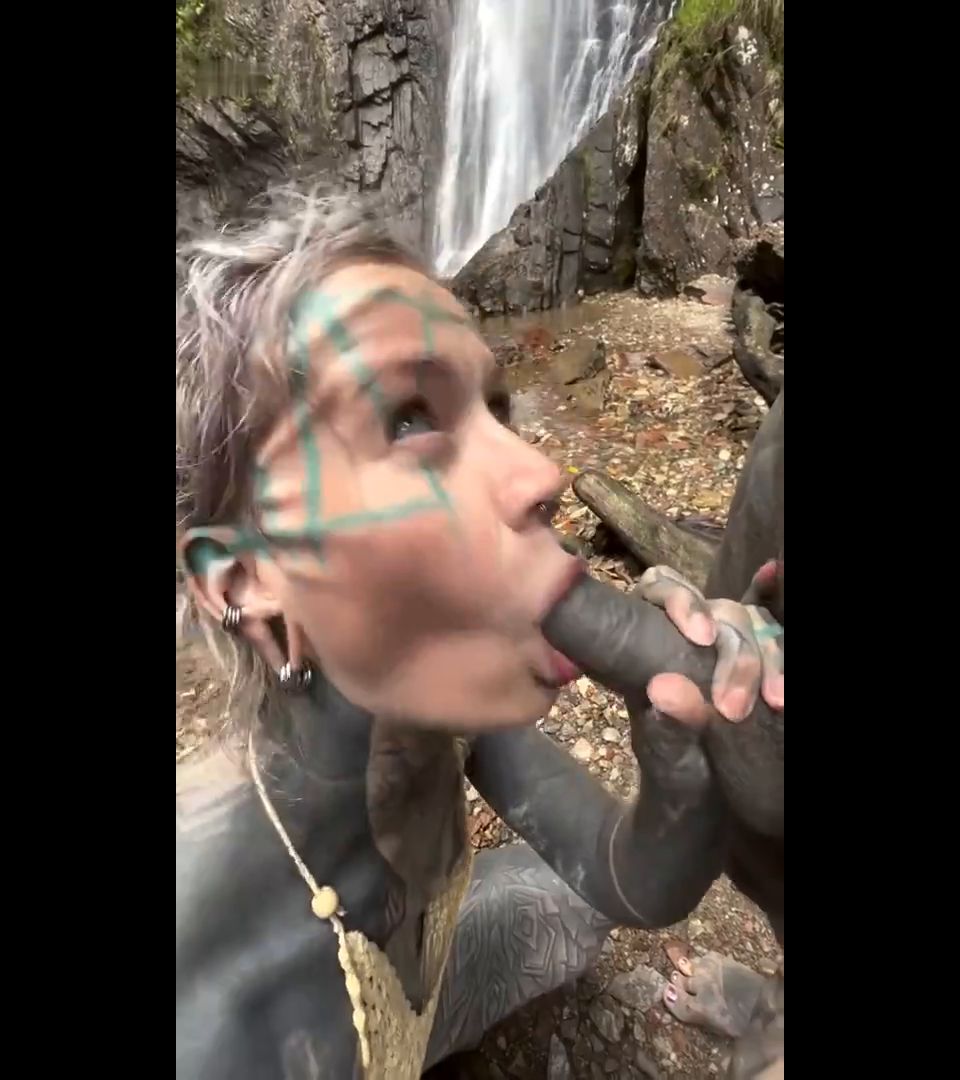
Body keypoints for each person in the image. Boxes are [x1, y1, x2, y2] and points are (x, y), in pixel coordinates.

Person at [176, 187, 782, 1079]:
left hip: (419, 998)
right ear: (248, 581)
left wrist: (684, 779)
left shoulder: (437, 721)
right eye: (410, 419)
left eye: (497, 410)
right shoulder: (209, 1018)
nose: (544, 473)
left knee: (572, 912)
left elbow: (629, 879)